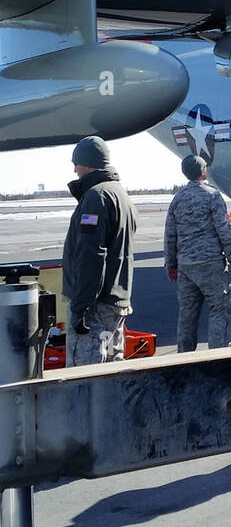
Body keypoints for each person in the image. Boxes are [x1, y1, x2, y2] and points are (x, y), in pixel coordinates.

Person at [63, 136, 137, 366]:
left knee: (84, 376)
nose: (75, 169)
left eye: (77, 163)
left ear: (88, 163)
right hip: (116, 303)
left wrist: (80, 307)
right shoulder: (121, 195)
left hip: (96, 307)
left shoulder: (97, 197)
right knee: (111, 373)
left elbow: (92, 256)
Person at [164, 155, 231, 352]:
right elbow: (224, 229)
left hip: (186, 266)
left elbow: (170, 235)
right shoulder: (212, 196)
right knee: (219, 309)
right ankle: (217, 356)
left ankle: (184, 359)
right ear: (203, 172)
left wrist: (171, 265)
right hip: (210, 263)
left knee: (187, 315)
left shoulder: (177, 199)